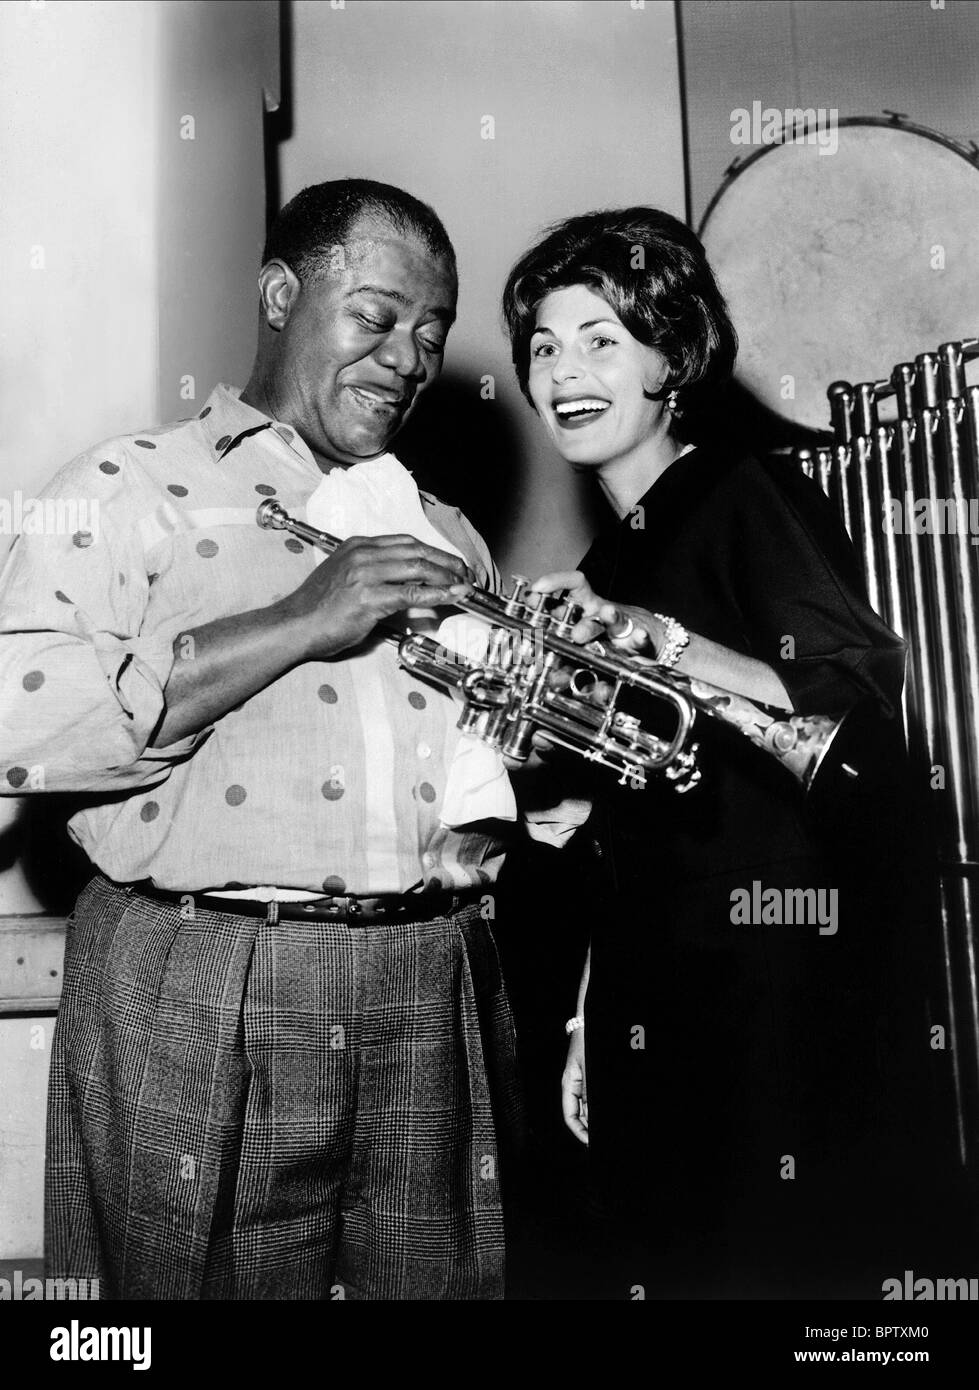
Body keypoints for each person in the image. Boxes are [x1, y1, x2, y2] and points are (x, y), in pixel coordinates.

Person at [0, 179, 525, 1301]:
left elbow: (478, 773)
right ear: (284, 292)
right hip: (202, 967)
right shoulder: (126, 486)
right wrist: (295, 621)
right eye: (376, 316)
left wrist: (534, 751)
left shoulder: (449, 531)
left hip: (432, 975)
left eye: (430, 335)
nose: (408, 358)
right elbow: (19, 727)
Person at [501, 207, 939, 1298]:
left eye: (603, 338)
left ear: (670, 358)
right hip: (663, 1000)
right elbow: (628, 841)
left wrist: (661, 646)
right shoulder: (612, 554)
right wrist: (586, 1020)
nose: (565, 372)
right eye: (545, 347)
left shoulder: (743, 489)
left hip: (778, 1000)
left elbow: (857, 710)